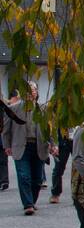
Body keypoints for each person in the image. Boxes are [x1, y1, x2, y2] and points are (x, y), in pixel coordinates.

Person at [2, 82, 55, 215]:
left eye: (33, 90)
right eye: (28, 90)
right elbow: (5, 130)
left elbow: (50, 129)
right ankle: (28, 205)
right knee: (24, 176)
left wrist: (53, 145)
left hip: (39, 146)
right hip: (21, 146)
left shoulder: (43, 109)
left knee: (37, 179)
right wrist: (7, 145)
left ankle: (31, 201)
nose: (31, 92)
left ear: (36, 92)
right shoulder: (13, 108)